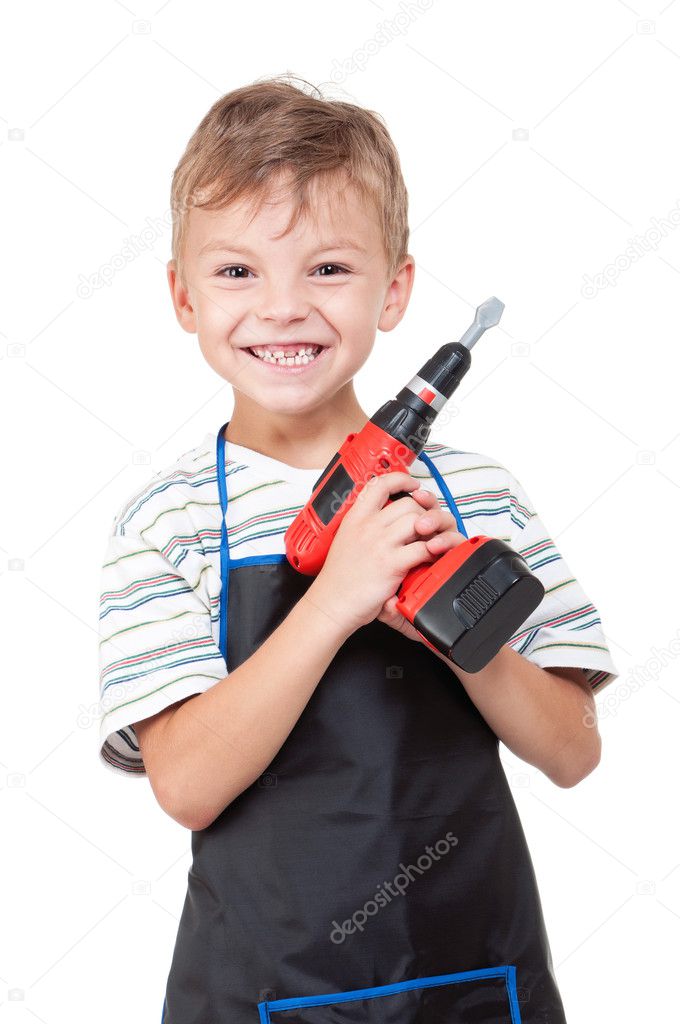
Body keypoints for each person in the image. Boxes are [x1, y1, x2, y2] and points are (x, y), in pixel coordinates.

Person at [97, 75, 619, 1024]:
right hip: (263, 997)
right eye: (237, 271)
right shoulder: (164, 523)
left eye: (329, 270)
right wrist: (336, 601)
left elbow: (574, 751)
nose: (285, 308)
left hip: (479, 987)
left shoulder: (478, 493)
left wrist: (459, 634)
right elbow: (187, 785)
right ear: (182, 295)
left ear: (396, 290)